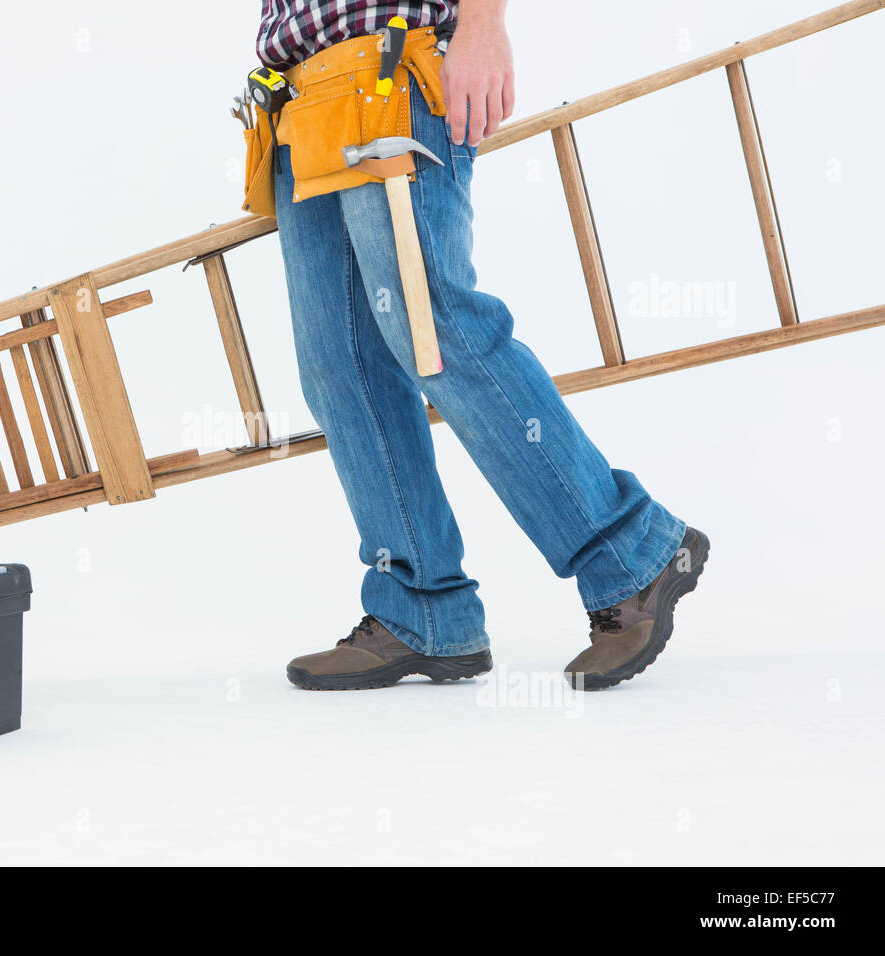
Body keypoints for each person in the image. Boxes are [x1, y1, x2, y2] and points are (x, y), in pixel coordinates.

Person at [255, 0, 709, 691]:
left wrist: (484, 23)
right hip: (297, 101)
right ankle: (422, 612)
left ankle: (632, 555)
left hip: (389, 77)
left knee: (437, 331)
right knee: (340, 367)